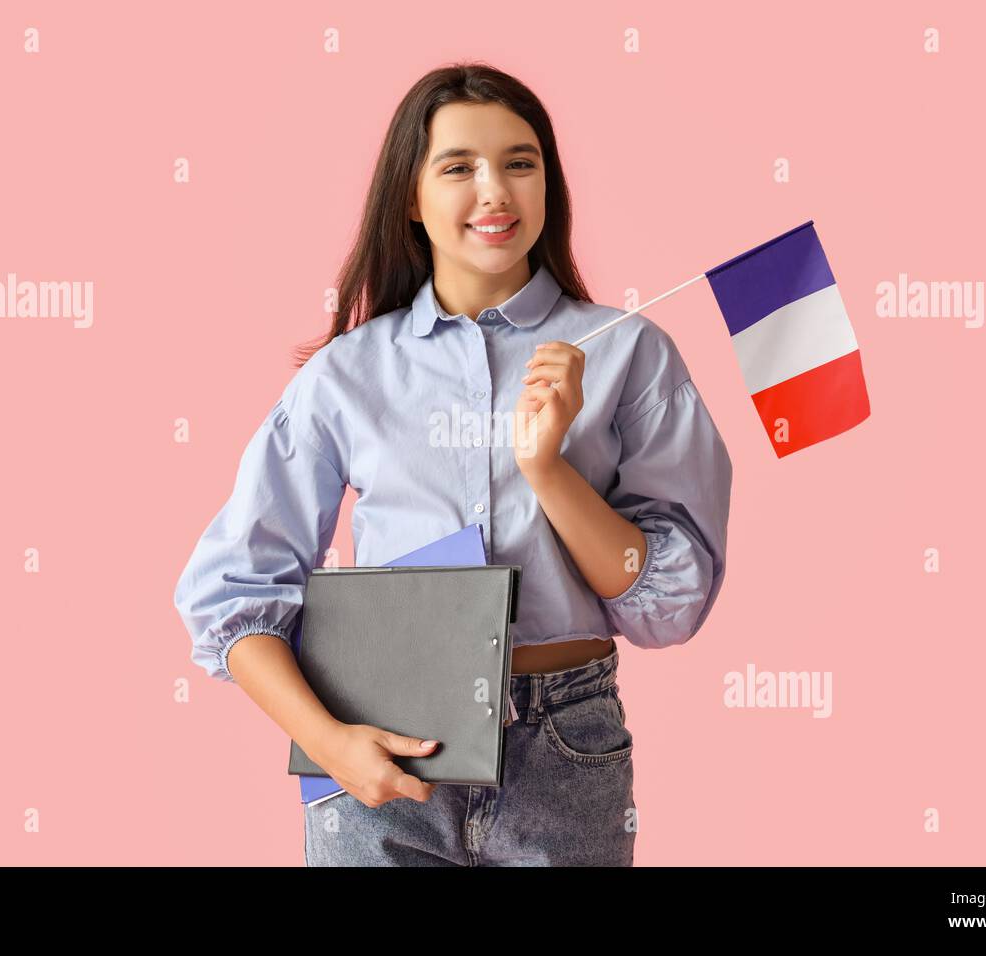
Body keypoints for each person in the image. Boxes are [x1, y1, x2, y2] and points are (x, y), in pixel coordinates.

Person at [173, 61, 733, 866]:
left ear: (549, 183)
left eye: (520, 162)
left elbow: (669, 605)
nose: (495, 192)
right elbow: (230, 592)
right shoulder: (346, 375)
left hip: (566, 747)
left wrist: (548, 470)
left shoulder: (626, 353)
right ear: (411, 195)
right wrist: (329, 743)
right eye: (458, 166)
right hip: (384, 753)